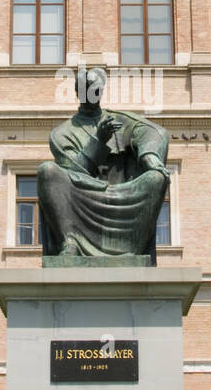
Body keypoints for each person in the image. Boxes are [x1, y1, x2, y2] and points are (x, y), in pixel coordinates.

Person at [37, 66, 169, 260]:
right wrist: (98, 142)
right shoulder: (61, 133)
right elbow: (73, 171)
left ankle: (129, 247)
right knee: (47, 170)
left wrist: (148, 155)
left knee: (156, 178)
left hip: (123, 196)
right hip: (82, 200)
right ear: (77, 93)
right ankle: (70, 242)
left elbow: (156, 132)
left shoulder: (119, 120)